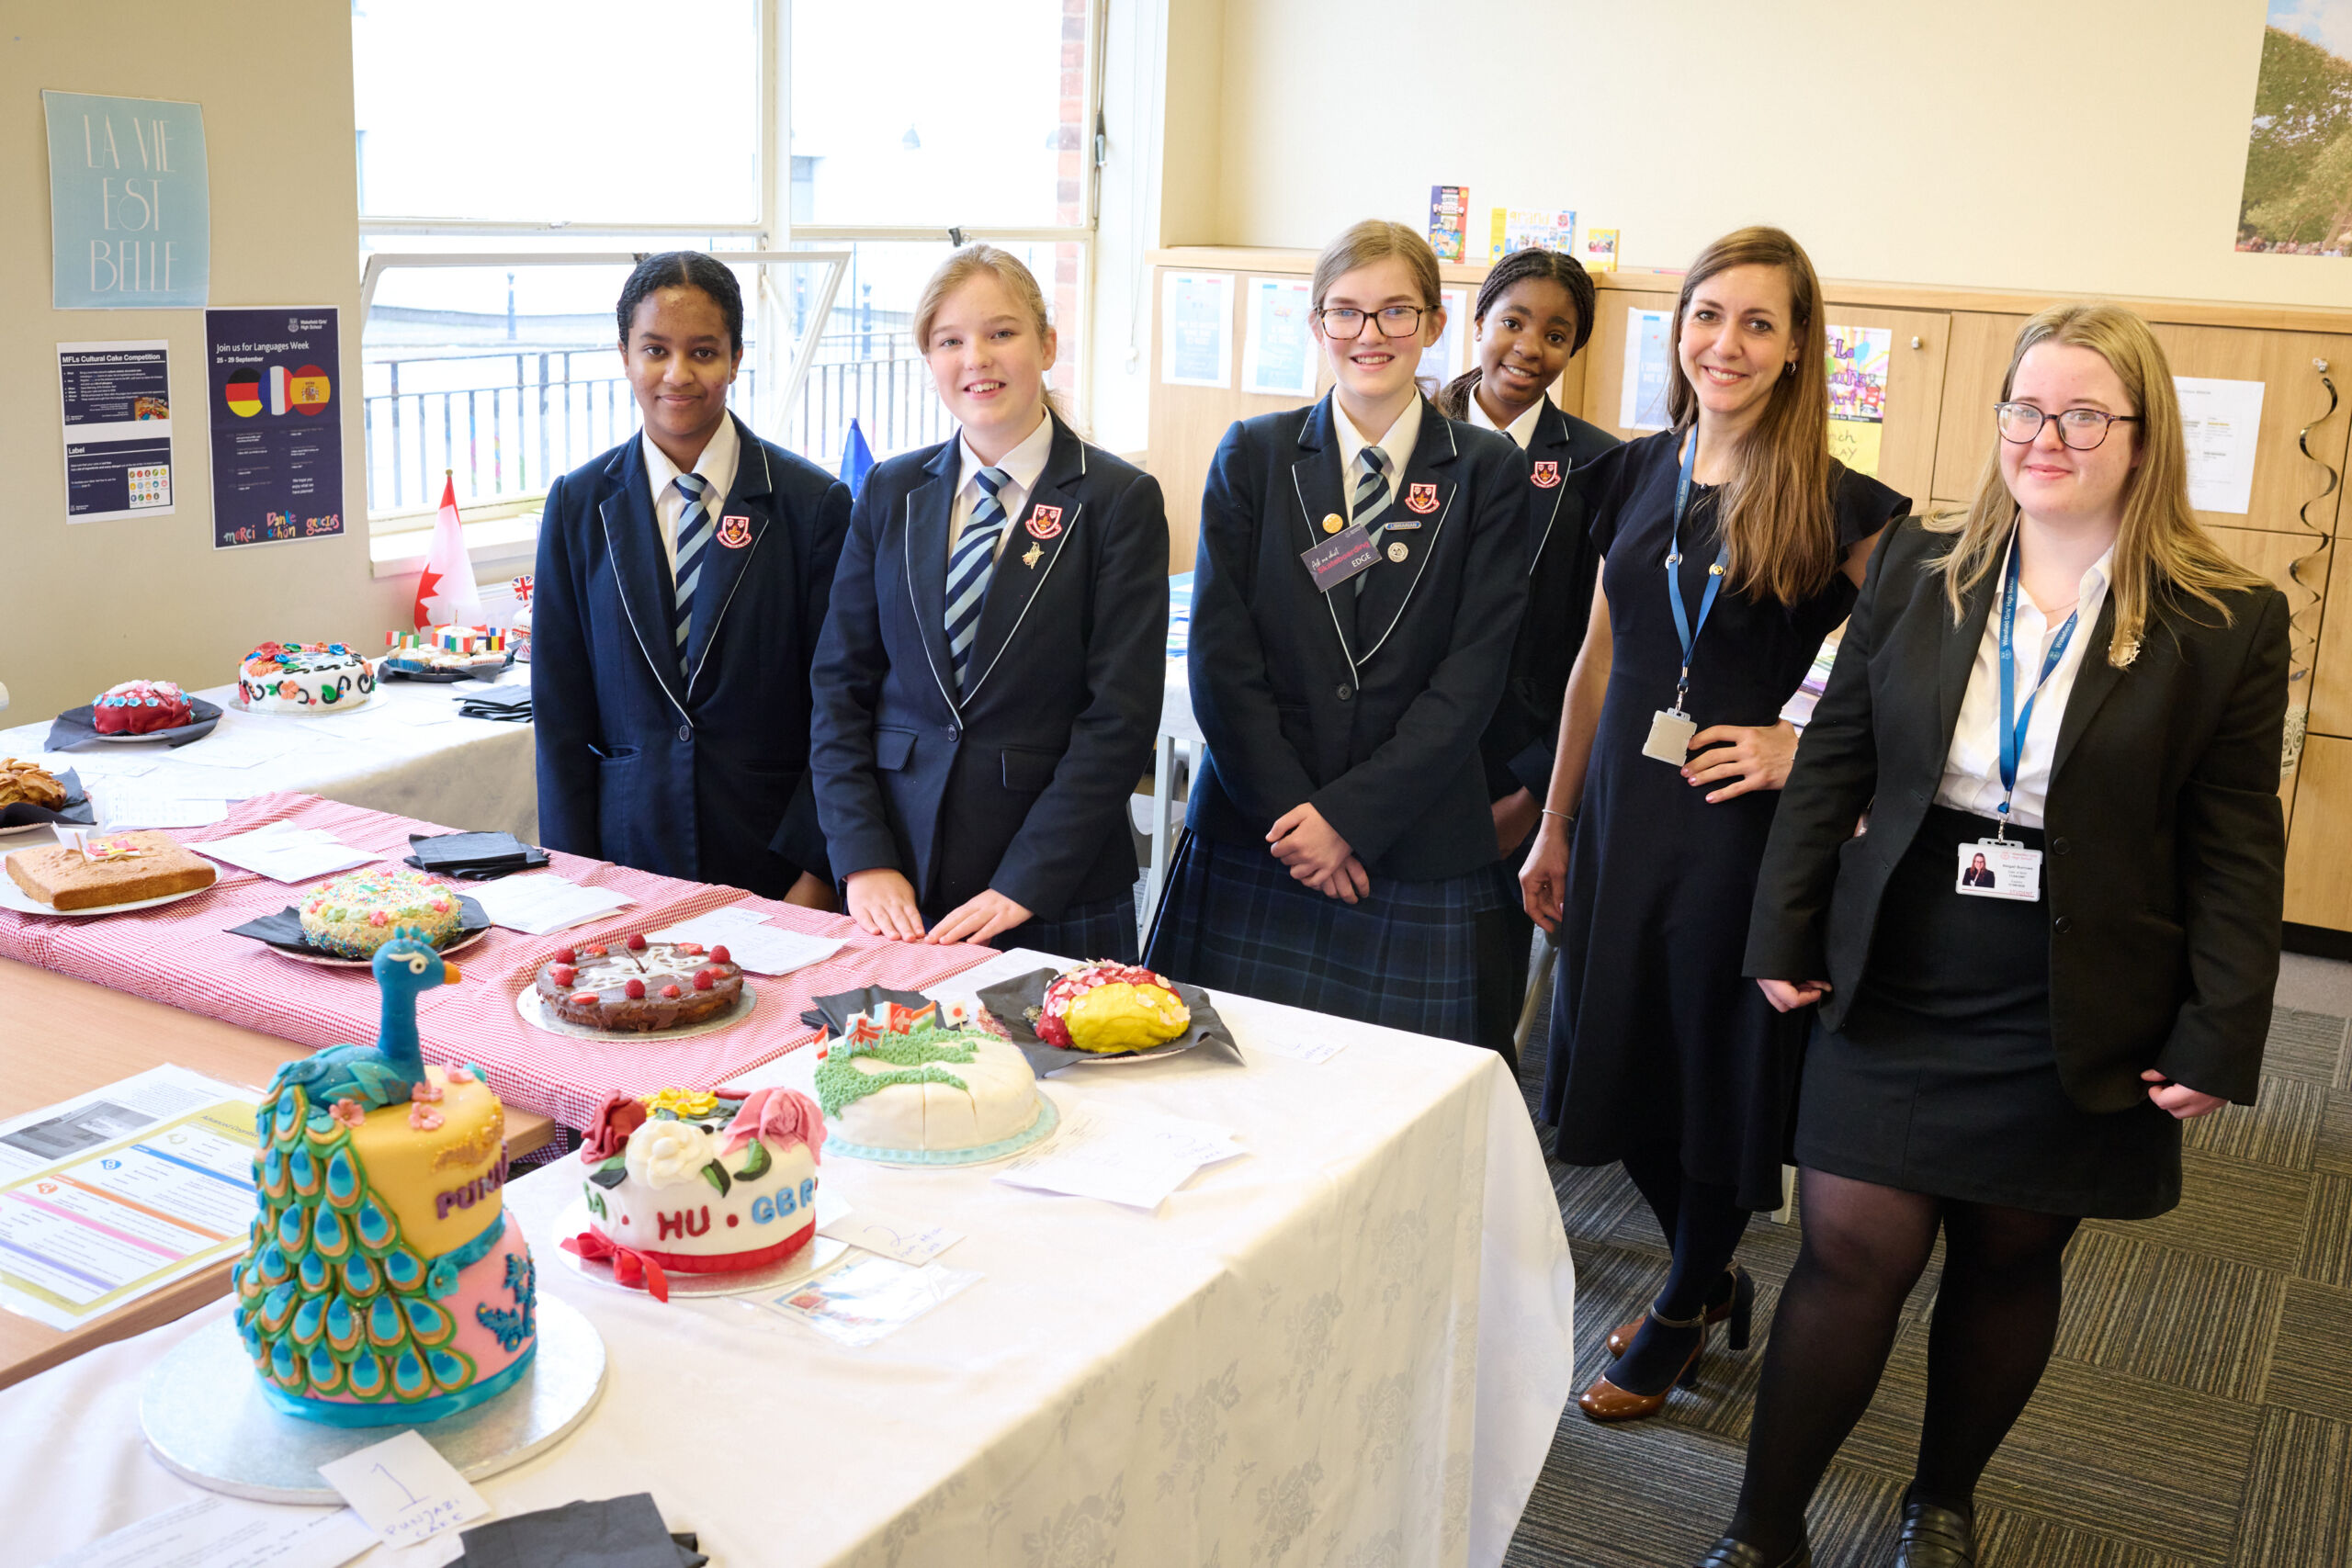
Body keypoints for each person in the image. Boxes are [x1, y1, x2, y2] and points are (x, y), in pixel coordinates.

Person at [1697, 304, 2286, 1568]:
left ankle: (1942, 1497)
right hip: (1907, 949)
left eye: (2083, 413)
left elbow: (2236, 837)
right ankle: (1760, 1530)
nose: (2046, 435)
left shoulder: (2224, 614)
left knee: (2011, 1247)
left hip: (2084, 975)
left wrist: (2222, 1022)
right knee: (1854, 1242)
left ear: (2143, 435)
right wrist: (1783, 923)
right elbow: (1838, 755)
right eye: (2026, 408)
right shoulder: (1925, 559)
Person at [1520, 227, 1910, 1423]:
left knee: (1711, 1066)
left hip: (1741, 830)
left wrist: (1802, 745)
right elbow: (1599, 656)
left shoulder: (1844, 502)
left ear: (1798, 349)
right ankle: (1708, 1262)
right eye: (1706, 315)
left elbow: (1909, 670)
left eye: (1756, 322)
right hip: (1628, 817)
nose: (1724, 342)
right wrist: (1553, 823)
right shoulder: (1631, 473)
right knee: (1615, 1055)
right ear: (1676, 328)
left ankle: (1685, 1299)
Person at [1144, 220, 1529, 1043]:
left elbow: (1472, 676)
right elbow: (1220, 658)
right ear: (1317, 326)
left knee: (1408, 1122)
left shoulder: (1488, 471)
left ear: (1432, 324)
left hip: (1416, 838)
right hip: (1261, 833)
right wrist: (1298, 820)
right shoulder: (1253, 454)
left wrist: (1349, 819)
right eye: (1346, 313)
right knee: (1222, 1093)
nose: (1370, 334)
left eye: (1395, 312)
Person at [808, 245, 1167, 957]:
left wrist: (1026, 882)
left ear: (1047, 345)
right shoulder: (889, 491)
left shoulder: (1118, 499)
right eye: (950, 340)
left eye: (1001, 333)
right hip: (900, 885)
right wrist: (862, 858)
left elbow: (1118, 721)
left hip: (1051, 886)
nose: (977, 357)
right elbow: (838, 689)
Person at [533, 253, 848, 901]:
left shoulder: (812, 505)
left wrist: (813, 874)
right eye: (655, 350)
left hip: (773, 865)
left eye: (704, 352)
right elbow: (560, 719)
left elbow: (839, 711)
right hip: (626, 864)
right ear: (624, 355)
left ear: (735, 359)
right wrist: (574, 882)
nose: (678, 374)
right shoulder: (577, 504)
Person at [1432, 247, 1619, 1065]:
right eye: (1512, 321)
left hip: (1509, 776)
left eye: (1556, 333)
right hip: (1390, 766)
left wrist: (1538, 789)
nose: (1528, 347)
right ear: (1477, 322)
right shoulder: (1408, 433)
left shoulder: (1600, 466)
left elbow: (1601, 646)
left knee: (1477, 1007)